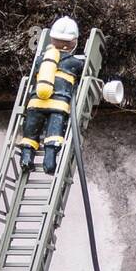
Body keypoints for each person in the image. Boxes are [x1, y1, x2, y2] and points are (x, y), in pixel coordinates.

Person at [16, 16, 85, 174]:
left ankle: (26, 159)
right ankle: (49, 162)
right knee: (54, 133)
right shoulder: (74, 63)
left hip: (35, 103)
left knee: (30, 132)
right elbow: (83, 75)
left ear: (52, 40)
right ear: (73, 42)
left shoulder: (41, 60)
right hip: (58, 105)